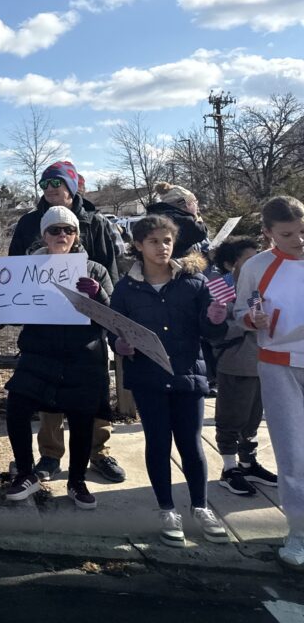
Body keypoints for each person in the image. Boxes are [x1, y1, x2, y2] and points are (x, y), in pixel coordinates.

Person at [109, 215, 230, 547]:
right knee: (158, 443)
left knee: (191, 446)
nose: (161, 247)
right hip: (148, 379)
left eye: (166, 240)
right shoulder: (126, 288)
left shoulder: (194, 282)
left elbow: (211, 331)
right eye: (153, 241)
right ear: (138, 245)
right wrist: (119, 345)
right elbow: (115, 330)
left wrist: (217, 320)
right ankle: (167, 509)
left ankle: (201, 507)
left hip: (188, 375)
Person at [7, 161, 125, 485]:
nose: (52, 188)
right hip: (44, 327)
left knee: (92, 394)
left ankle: (99, 452)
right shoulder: (30, 222)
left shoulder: (96, 222)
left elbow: (108, 270)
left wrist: (106, 308)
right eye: (46, 182)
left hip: (87, 331)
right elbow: (13, 269)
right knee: (47, 391)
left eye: (58, 182)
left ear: (72, 186)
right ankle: (50, 453)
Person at [0, 206, 113, 509]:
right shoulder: (24, 268)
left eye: (68, 230)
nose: (62, 235)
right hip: (39, 353)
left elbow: (112, 317)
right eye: (54, 230)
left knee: (82, 420)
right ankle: (25, 472)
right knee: (17, 407)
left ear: (77, 234)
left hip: (82, 356)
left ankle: (77, 481)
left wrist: (98, 295)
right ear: (44, 235)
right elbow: (1, 314)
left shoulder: (95, 269)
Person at [234, 195, 304, 568]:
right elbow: (241, 308)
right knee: (293, 453)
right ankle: (300, 531)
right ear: (268, 234)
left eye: (303, 230)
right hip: (279, 365)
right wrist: (251, 320)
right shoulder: (258, 266)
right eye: (288, 234)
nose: (299, 240)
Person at [206, 237, 278, 498]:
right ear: (229, 263)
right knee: (231, 418)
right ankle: (229, 467)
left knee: (253, 418)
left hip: (263, 363)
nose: (256, 264)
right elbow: (215, 332)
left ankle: (249, 463)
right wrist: (243, 323)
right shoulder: (221, 290)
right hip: (236, 363)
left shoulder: (261, 287)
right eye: (249, 260)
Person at [147, 183, 208, 258]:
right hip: (178, 264)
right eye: (194, 202)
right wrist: (196, 217)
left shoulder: (157, 216)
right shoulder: (181, 220)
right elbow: (201, 232)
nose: (197, 206)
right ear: (186, 205)